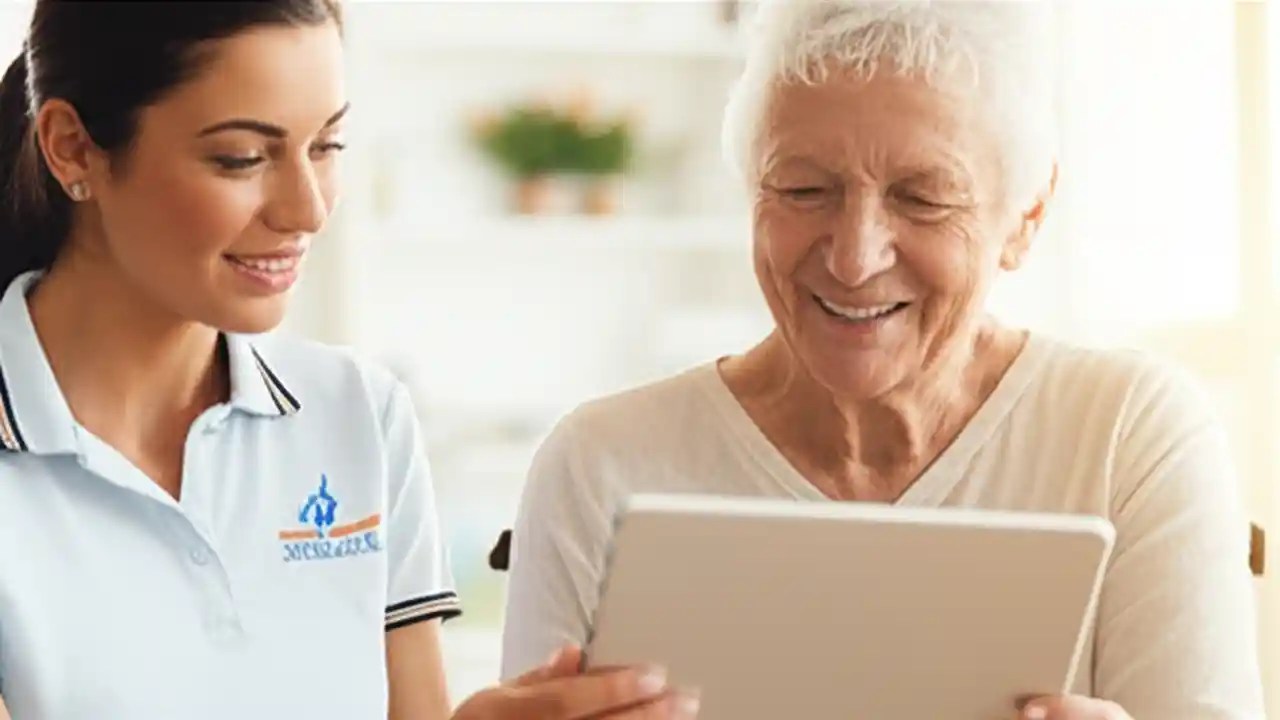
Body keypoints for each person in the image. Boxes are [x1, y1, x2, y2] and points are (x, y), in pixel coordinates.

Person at [500, 2, 1266, 719]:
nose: (854, 258)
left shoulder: (1131, 433)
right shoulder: (600, 463)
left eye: (923, 198)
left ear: (1026, 217)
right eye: (804, 189)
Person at [0, 2, 699, 719]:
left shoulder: (360, 416)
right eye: (241, 157)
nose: (307, 210)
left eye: (327, 146)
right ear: (73, 148)